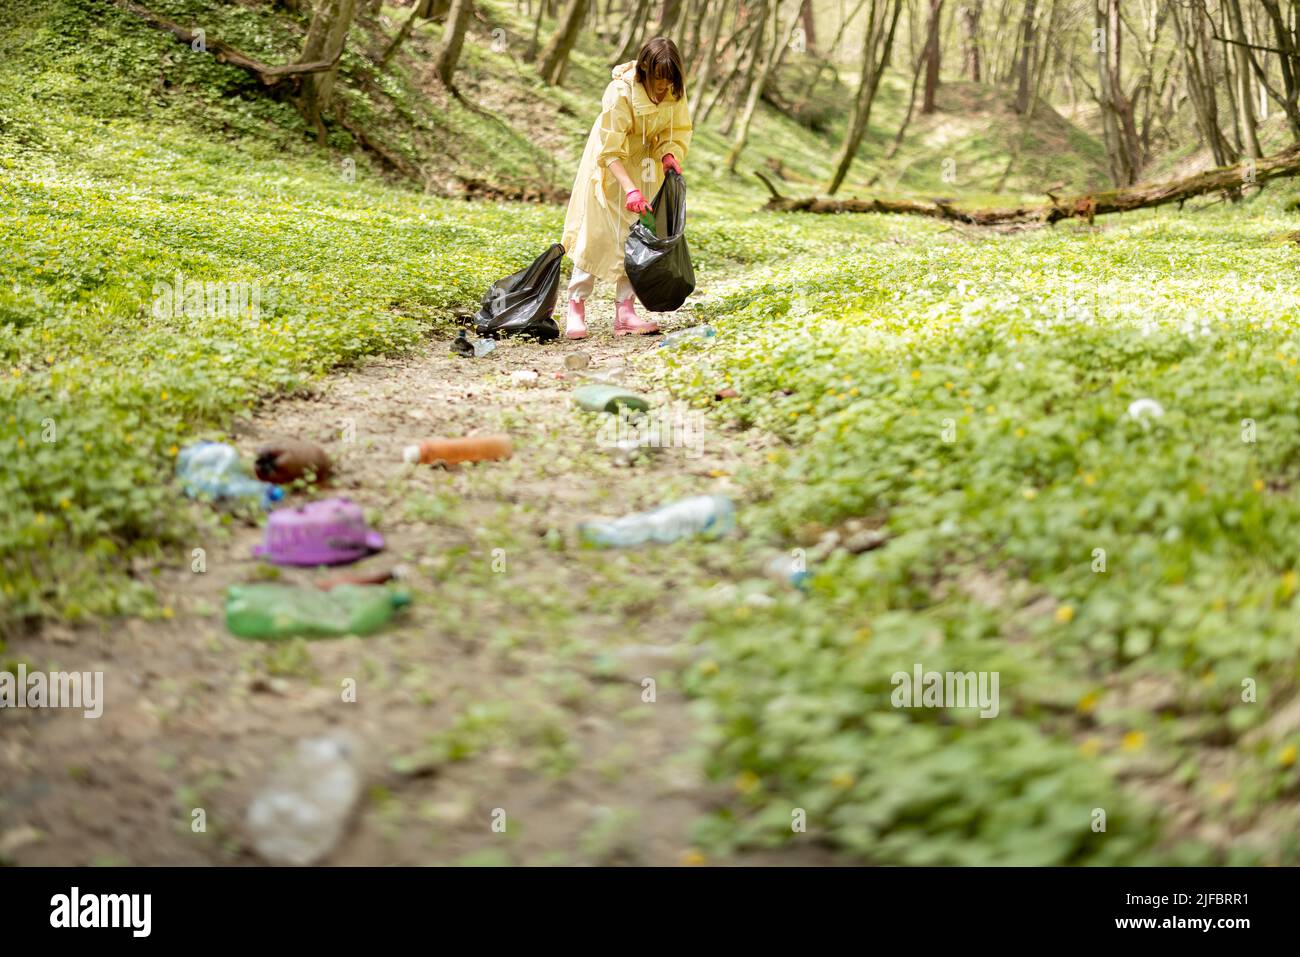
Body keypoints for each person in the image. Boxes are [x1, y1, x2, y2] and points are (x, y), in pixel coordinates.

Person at [560, 37, 692, 339]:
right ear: (645, 70)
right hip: (612, 165)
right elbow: (609, 150)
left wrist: (669, 154)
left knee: (641, 236)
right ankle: (576, 306)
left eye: (668, 81)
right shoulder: (620, 92)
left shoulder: (674, 90)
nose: (663, 88)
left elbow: (678, 130)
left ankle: (625, 312)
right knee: (597, 232)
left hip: (646, 167)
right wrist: (629, 189)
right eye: (658, 80)